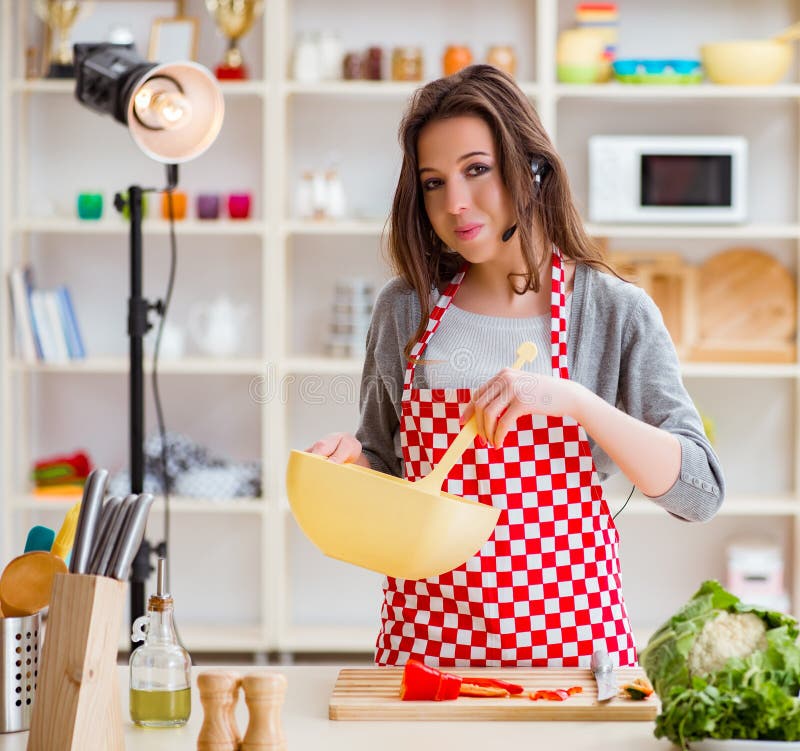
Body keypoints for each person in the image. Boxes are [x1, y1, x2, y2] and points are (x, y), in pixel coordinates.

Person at [307, 64, 724, 668]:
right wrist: (353, 463)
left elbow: (700, 492)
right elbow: (388, 465)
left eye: (477, 169)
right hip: (428, 649)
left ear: (531, 167)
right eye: (432, 182)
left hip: (569, 654)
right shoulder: (405, 308)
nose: (454, 203)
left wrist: (576, 401)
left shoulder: (614, 311)